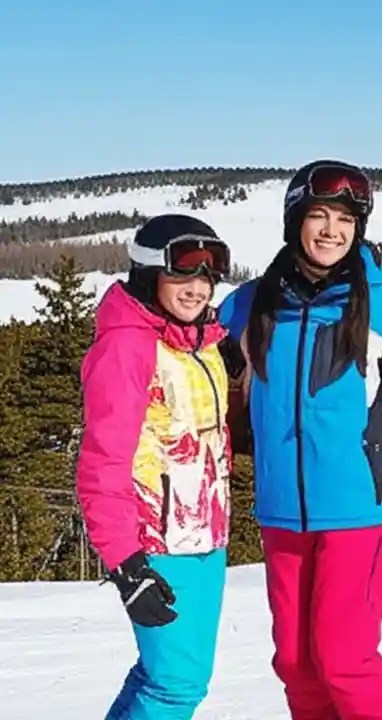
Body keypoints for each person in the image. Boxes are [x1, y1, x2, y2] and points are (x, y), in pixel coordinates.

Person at [218, 159, 382, 719]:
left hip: (361, 512)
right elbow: (192, 365)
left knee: (344, 660)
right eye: (319, 215)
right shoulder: (250, 306)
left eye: (346, 220)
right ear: (294, 219)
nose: (331, 230)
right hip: (282, 514)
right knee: (298, 666)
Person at [75, 214, 234, 719]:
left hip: (204, 537)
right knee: (175, 684)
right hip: (157, 543)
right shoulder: (128, 345)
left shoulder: (200, 345)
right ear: (149, 274)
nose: (197, 288)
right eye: (183, 272)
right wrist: (127, 563)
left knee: (166, 676)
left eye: (208, 275)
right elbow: (102, 463)